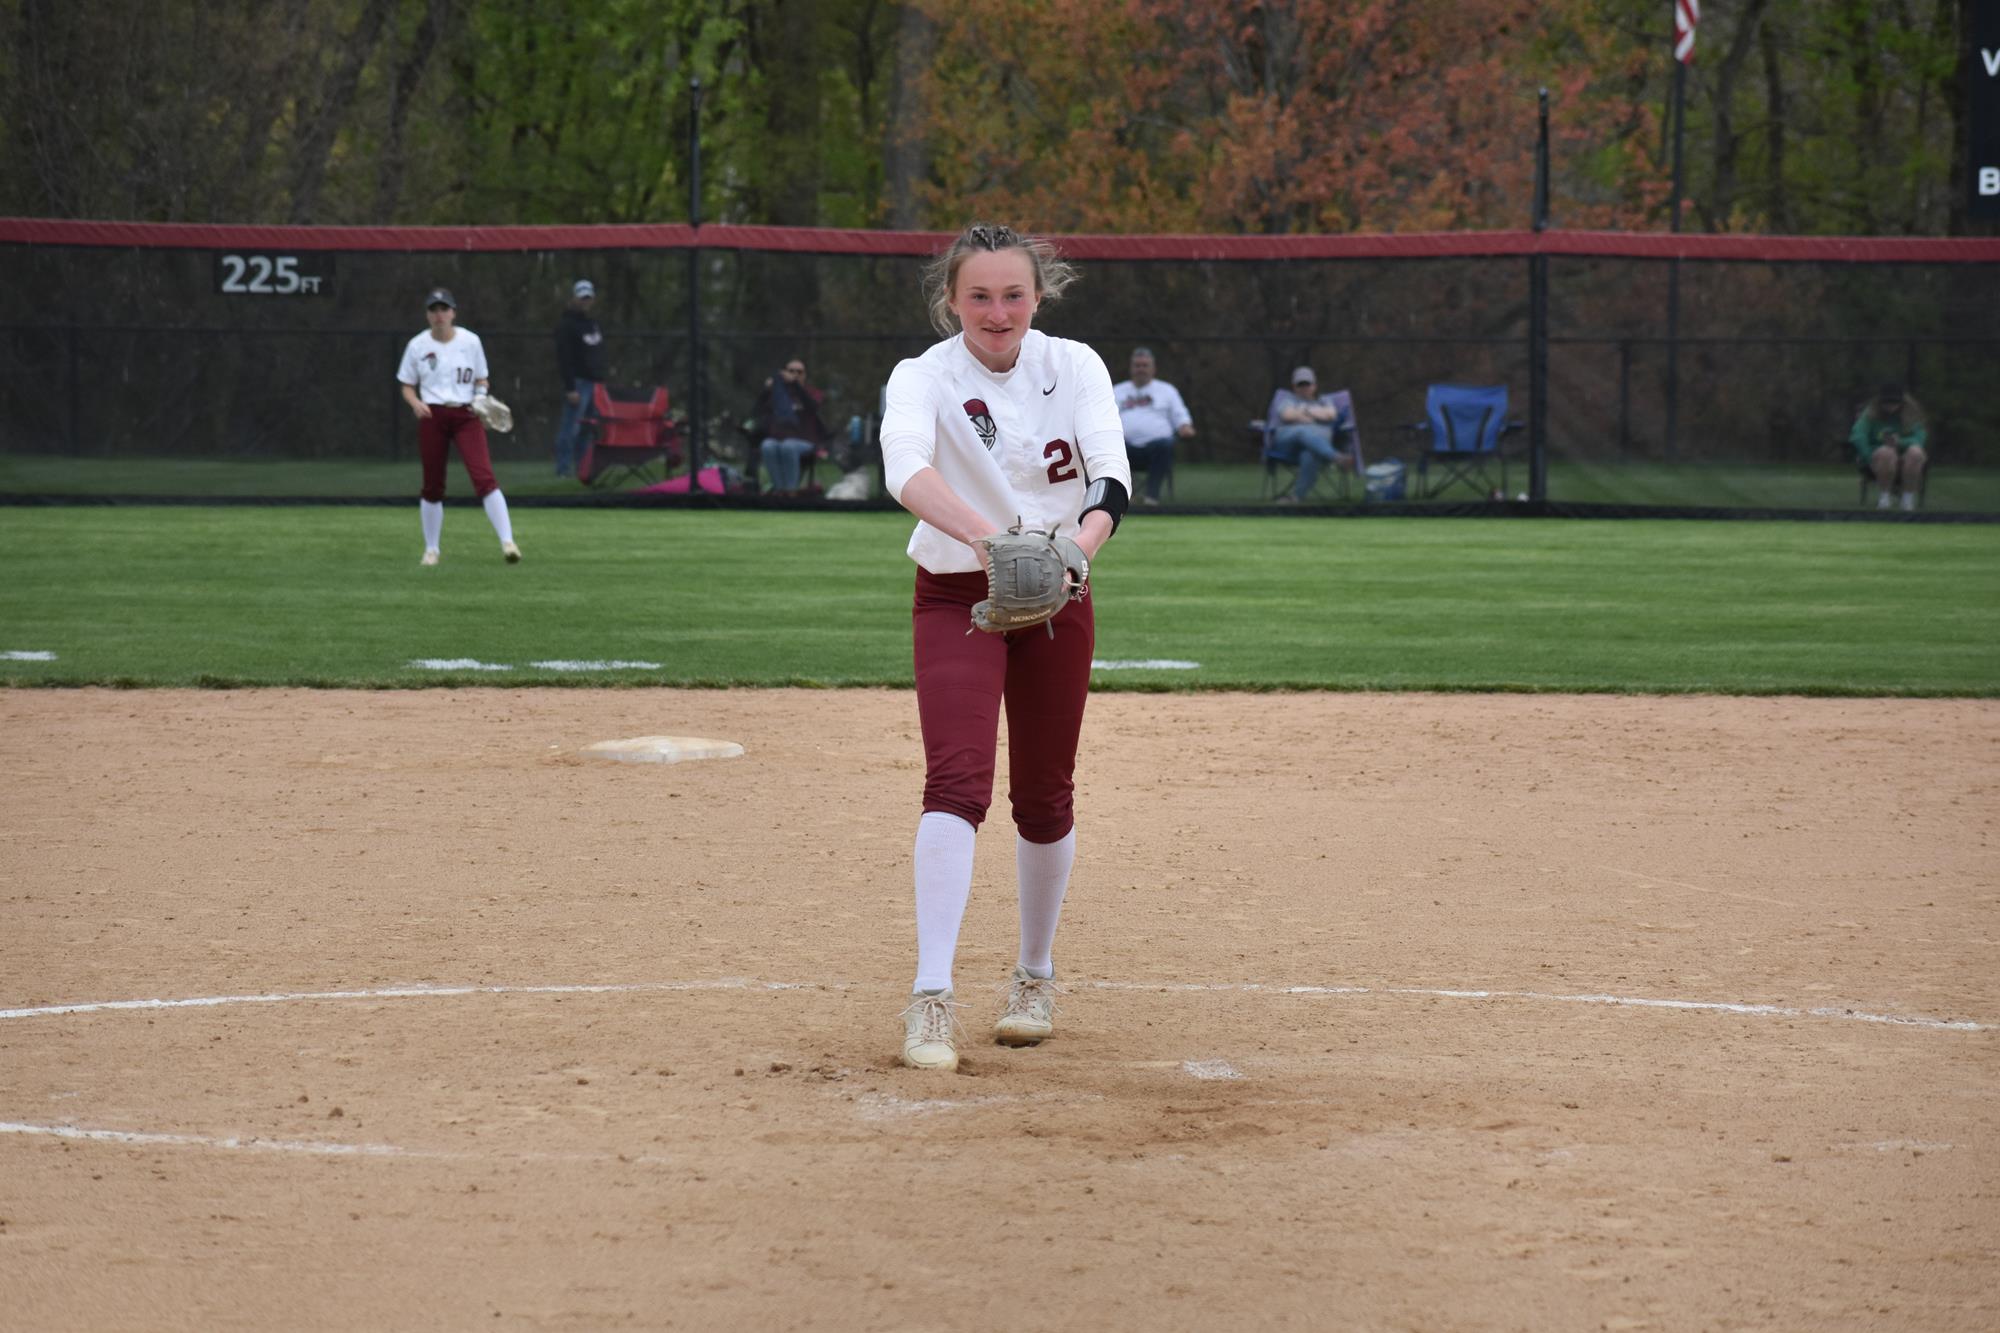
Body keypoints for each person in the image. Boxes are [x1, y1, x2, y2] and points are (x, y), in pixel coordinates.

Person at [878, 222, 1131, 1072]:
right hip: (958, 589)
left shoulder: (1078, 366)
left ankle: (1033, 973)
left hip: (1059, 590)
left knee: (1045, 792)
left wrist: (1073, 553)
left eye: (1013, 294)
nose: (997, 311)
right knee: (955, 779)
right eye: (978, 295)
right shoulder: (923, 376)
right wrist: (993, 544)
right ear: (950, 299)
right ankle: (932, 996)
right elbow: (903, 468)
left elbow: (1111, 476)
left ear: (1039, 294)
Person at [396, 287, 520, 566]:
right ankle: (431, 549)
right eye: (434, 310)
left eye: (444, 309)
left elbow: (482, 379)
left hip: (466, 414)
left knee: (484, 477)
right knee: (433, 485)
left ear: (453, 313)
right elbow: (406, 385)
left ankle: (508, 542)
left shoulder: (470, 342)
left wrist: (479, 398)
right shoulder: (417, 345)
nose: (439, 315)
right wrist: (415, 403)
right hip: (433, 416)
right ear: (428, 315)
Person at [1112, 347, 1195, 506]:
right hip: (1124, 449)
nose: (1141, 369)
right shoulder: (1117, 391)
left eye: (1145, 365)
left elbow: (1180, 415)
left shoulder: (1167, 391)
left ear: (1153, 368)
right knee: (1111, 445)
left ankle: (1151, 498)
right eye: (1137, 365)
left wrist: (1184, 426)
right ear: (1131, 368)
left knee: (1166, 445)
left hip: (1156, 450)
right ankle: (1127, 496)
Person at [1266, 366, 1353, 504]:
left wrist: (1303, 412)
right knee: (1302, 431)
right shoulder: (1287, 398)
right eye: (1300, 384)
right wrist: (1315, 416)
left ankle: (1295, 498)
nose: (1304, 387)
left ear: (1314, 386)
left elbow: (1331, 414)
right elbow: (1287, 415)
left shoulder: (1324, 400)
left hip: (1316, 447)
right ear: (1294, 386)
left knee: (1310, 455)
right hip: (1288, 443)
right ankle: (1337, 458)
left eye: (1307, 384)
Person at [552, 278, 608, 479]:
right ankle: (563, 470)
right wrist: (570, 387)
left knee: (588, 429)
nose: (585, 301)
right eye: (582, 297)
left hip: (595, 385)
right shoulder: (566, 325)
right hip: (578, 383)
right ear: (574, 298)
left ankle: (583, 470)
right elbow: (564, 359)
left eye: (588, 298)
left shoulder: (592, 324)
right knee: (570, 428)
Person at [752, 357, 829, 494]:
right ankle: (780, 490)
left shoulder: (812, 392)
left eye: (799, 372)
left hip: (806, 441)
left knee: (788, 446)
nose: (795, 374)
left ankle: (791, 491)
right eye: (791, 371)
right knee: (767, 445)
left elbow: (813, 407)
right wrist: (766, 390)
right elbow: (757, 411)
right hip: (778, 439)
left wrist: (795, 385)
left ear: (805, 375)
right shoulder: (776, 394)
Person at [1850, 383, 1928, 511]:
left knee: (1916, 453)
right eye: (1887, 403)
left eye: (1894, 403)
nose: (1890, 406)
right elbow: (1857, 436)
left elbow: (1919, 439)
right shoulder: (1869, 415)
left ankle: (1907, 500)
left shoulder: (1912, 415)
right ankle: (1884, 499)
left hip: (1906, 458)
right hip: (1878, 458)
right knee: (1886, 452)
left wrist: (1900, 442)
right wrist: (1868, 456)